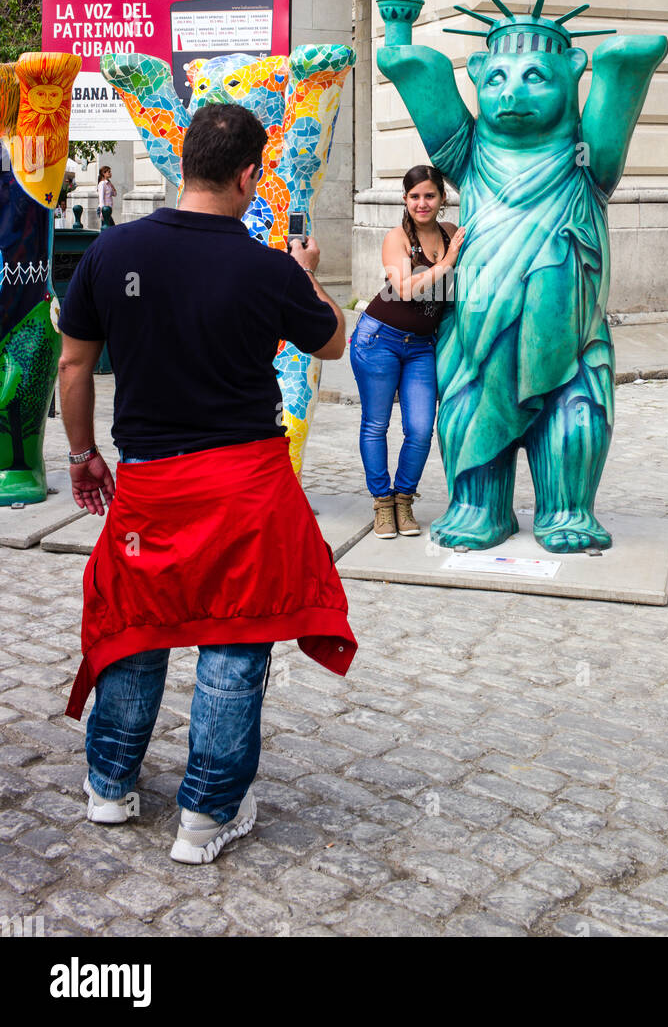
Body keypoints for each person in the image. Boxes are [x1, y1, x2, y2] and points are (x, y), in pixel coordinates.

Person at [57, 103, 356, 865]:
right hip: (244, 487)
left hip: (150, 485)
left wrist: (82, 453)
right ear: (249, 174)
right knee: (235, 636)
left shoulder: (113, 249)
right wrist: (306, 276)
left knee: (137, 629)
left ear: (183, 162)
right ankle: (205, 816)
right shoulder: (265, 267)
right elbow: (333, 341)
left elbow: (74, 365)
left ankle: (109, 787)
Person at [351, 164, 464, 539]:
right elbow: (404, 288)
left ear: (442, 199)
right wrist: (447, 264)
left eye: (429, 195)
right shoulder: (396, 238)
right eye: (414, 196)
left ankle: (403, 499)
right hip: (378, 338)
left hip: (420, 347)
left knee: (419, 428)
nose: (422, 203)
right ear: (404, 199)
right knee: (376, 424)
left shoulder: (451, 234)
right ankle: (382, 503)